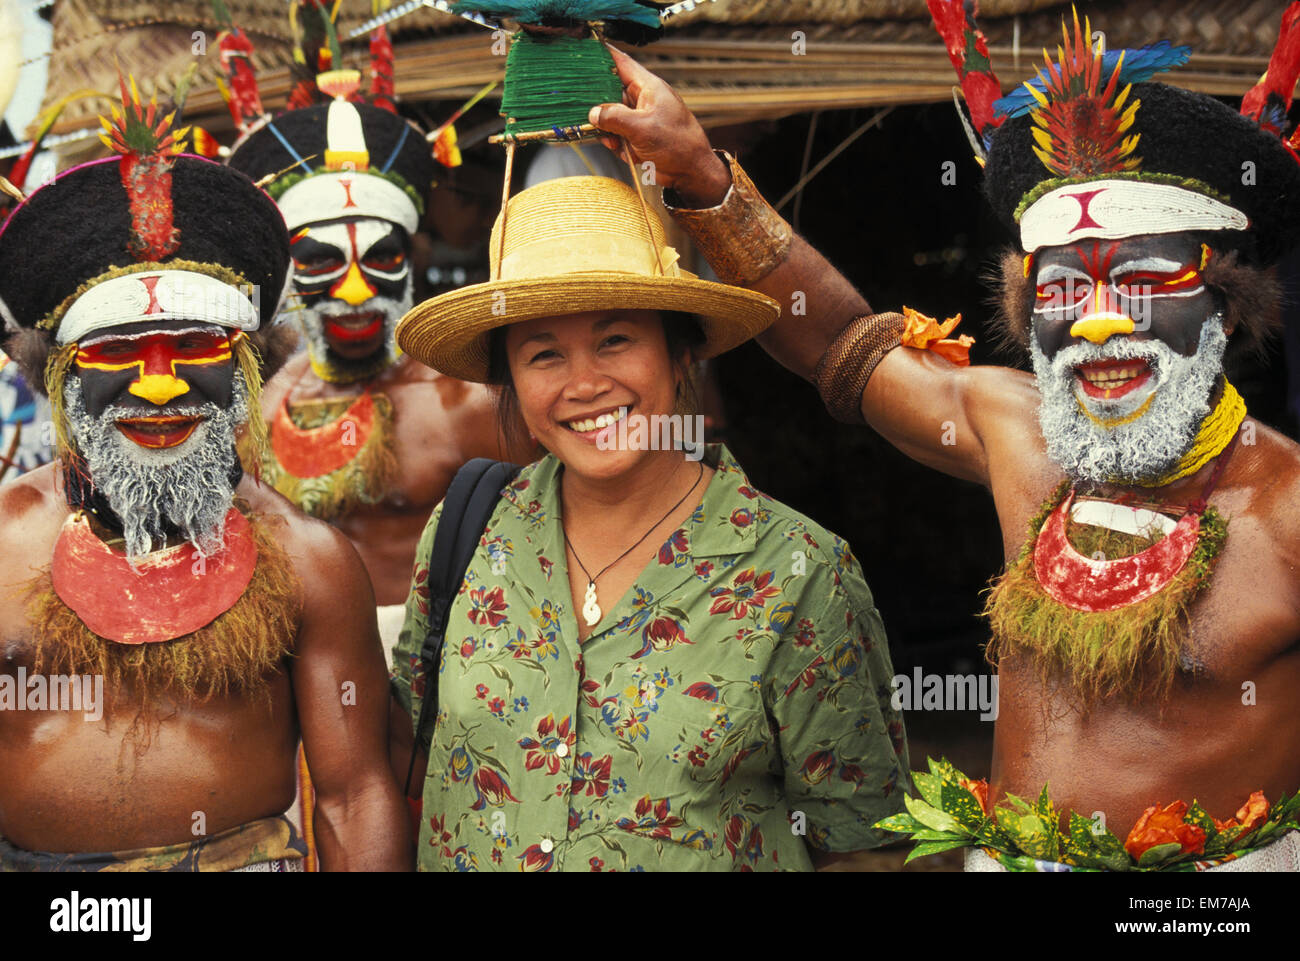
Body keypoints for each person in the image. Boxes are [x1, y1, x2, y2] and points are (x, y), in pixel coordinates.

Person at [586, 4, 1300, 871]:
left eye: (1147, 281)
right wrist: (702, 177)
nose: (1103, 325)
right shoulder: (1021, 434)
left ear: (1224, 306)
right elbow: (843, 345)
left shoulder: (1288, 509)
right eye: (1066, 290)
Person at [388, 173, 910, 871]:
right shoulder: (470, 531)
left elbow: (863, 846)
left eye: (615, 339)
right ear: (509, 379)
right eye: (544, 353)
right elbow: (406, 755)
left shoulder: (798, 572)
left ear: (680, 351)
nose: (584, 384)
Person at [0, 85, 410, 871]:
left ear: (246, 370)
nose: (160, 386)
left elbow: (353, 794)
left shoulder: (312, 561)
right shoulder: (4, 539)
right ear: (62, 379)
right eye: (119, 353)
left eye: (193, 347)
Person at [222, 9, 519, 630]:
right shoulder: (256, 405)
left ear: (412, 259)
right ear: (286, 277)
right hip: (308, 675)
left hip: (449, 671)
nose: (355, 291)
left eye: (381, 258)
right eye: (323, 263)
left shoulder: (468, 397)